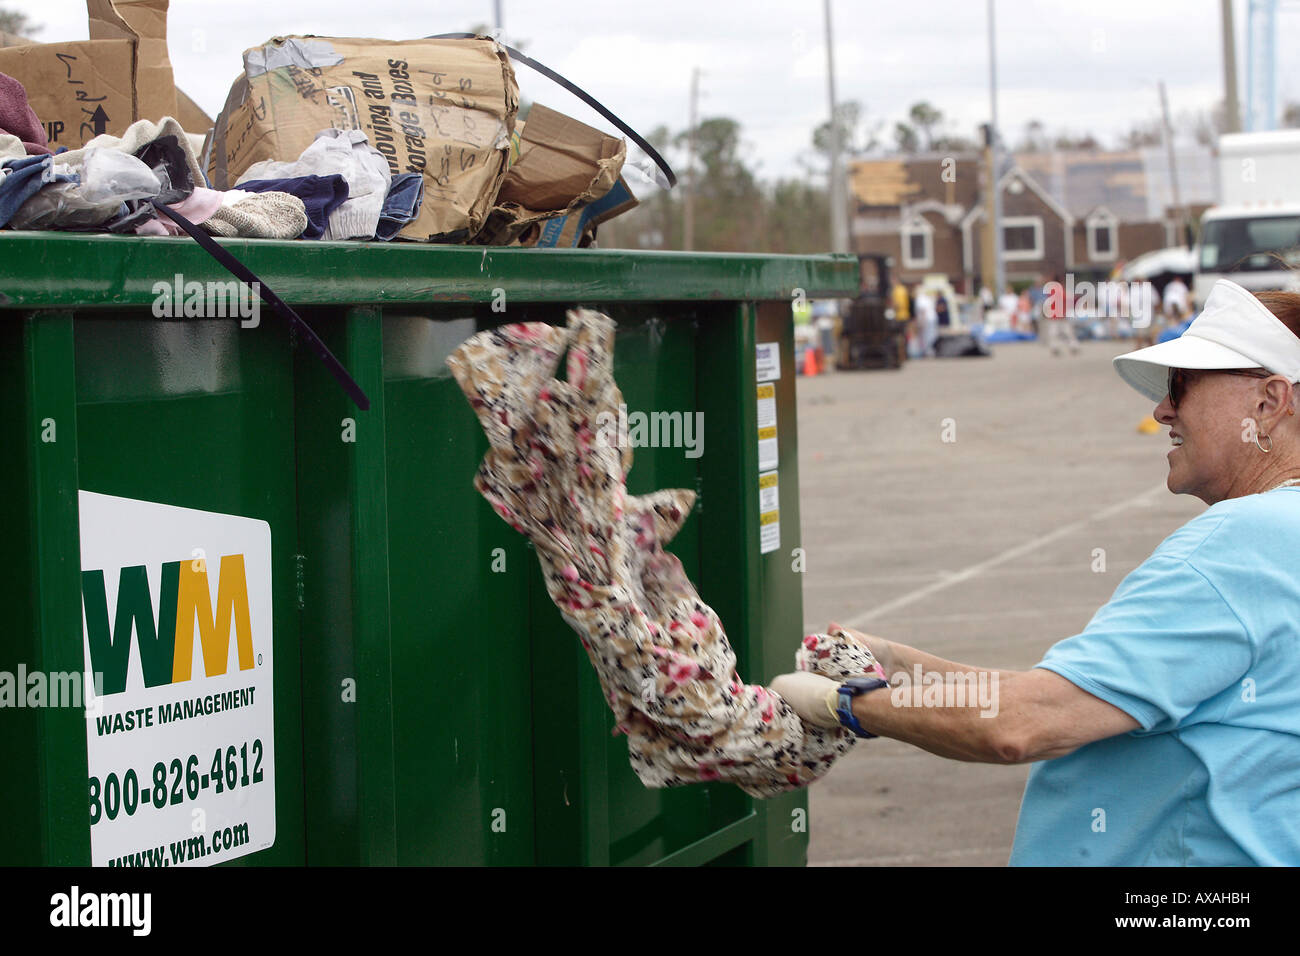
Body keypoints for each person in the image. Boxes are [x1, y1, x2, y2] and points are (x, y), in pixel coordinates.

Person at [773, 277, 1300, 865]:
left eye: (1183, 384)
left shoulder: (1236, 546)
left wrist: (844, 706)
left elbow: (1022, 723)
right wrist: (898, 665)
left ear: (1269, 401)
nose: (1162, 409)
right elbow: (1071, 697)